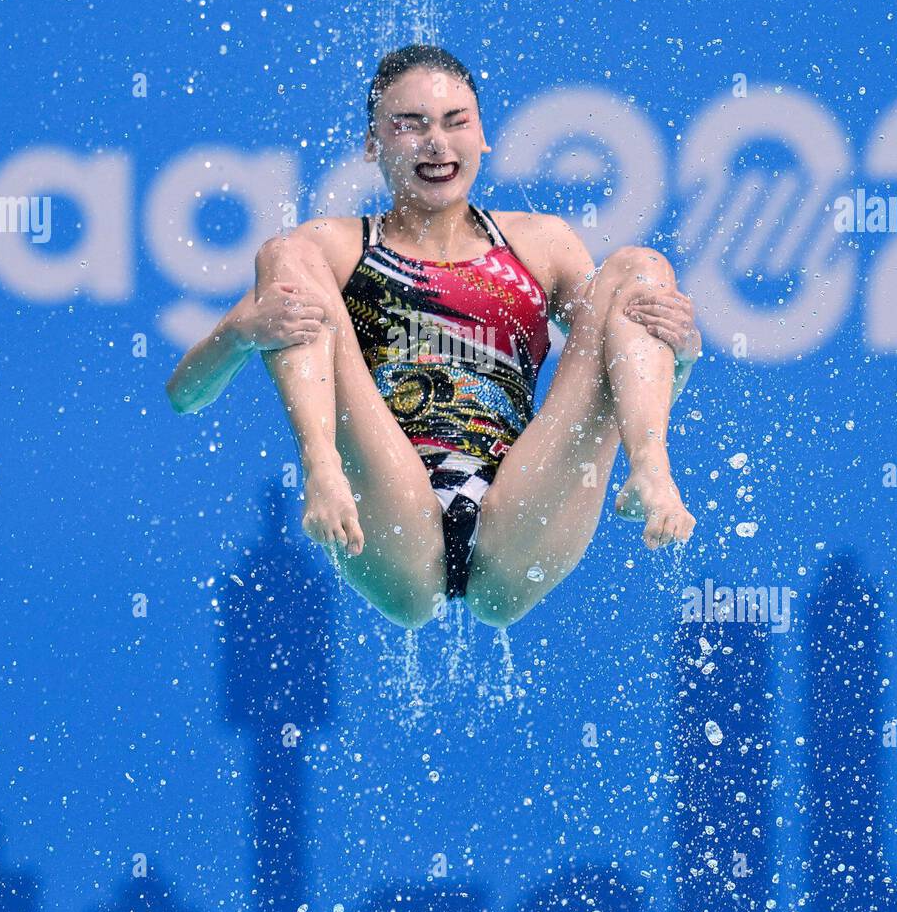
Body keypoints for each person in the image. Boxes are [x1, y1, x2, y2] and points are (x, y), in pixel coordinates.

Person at [166, 45, 702, 630]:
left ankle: (651, 468)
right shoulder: (337, 248)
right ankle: (320, 470)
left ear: (483, 136)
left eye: (456, 122)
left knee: (639, 270)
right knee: (287, 253)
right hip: (389, 519)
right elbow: (186, 394)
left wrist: (682, 357)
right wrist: (243, 333)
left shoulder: (542, 244)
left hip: (521, 518)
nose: (436, 144)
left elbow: (610, 377)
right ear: (373, 144)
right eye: (409, 125)